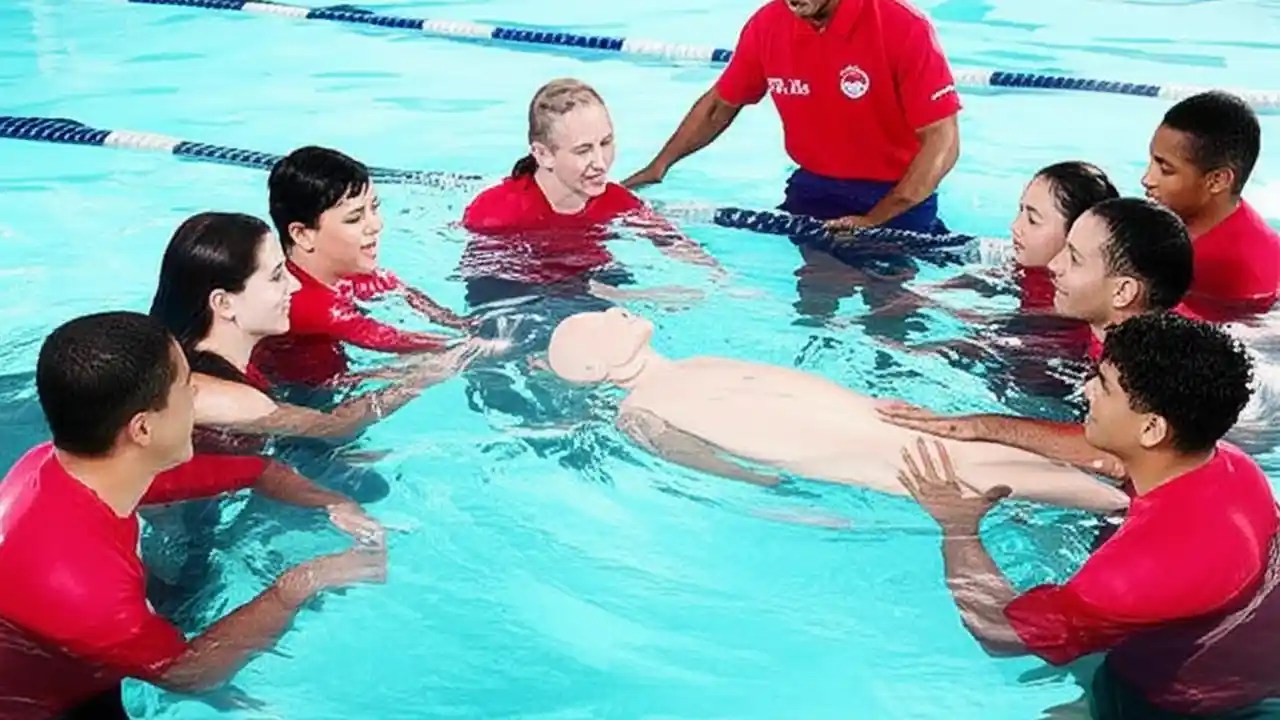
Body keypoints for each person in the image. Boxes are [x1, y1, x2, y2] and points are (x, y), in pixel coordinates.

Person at [0, 312, 387, 719]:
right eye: (187, 389)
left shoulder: (55, 464)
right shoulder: (82, 586)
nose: (199, 401)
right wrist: (303, 582)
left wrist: (327, 499)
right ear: (143, 429)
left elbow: (252, 472)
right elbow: (190, 674)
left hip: (61, 663)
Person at [897, 313, 1280, 718]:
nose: (1086, 390)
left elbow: (1000, 633)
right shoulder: (1236, 470)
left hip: (1172, 706)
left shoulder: (1136, 572)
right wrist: (981, 427)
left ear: (1151, 428)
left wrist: (959, 528)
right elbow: (1112, 456)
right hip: (1240, 664)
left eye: (1104, 387)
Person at [543, 307, 1127, 512]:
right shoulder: (637, 414)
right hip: (847, 447)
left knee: (984, 455)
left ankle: (1130, 483)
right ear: (596, 370)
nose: (614, 314)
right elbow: (705, 464)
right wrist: (775, 494)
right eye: (599, 325)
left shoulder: (685, 364)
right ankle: (1131, 500)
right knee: (981, 469)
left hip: (861, 421)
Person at [876, 197, 1197, 479]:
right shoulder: (1127, 332)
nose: (1054, 265)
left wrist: (978, 426)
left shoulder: (1151, 363)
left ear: (1123, 291)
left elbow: (1117, 457)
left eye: (1074, 258)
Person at [152, 211, 506, 444]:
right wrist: (426, 375)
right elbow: (332, 428)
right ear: (223, 303)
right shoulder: (210, 395)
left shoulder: (203, 365)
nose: (293, 286)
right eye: (277, 276)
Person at [624, 0, 961, 235]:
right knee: (812, 304)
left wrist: (876, 219)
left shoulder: (903, 26)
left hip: (898, 195)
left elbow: (942, 141)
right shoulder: (767, 25)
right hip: (813, 187)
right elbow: (719, 106)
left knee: (888, 315)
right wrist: (659, 166)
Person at [462, 78, 722, 310]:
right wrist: (642, 296)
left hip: (591, 277)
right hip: (520, 297)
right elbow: (484, 291)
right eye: (583, 150)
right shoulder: (496, 212)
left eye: (606, 143)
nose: (600, 162)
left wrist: (721, 281)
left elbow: (673, 242)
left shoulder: (617, 201)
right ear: (543, 154)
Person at [252, 146, 476, 386]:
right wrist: (471, 346)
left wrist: (461, 324)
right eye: (354, 218)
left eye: (374, 208)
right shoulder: (302, 302)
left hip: (336, 376)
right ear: (303, 234)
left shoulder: (351, 273)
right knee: (429, 367)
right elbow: (392, 340)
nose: (376, 224)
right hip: (299, 400)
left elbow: (405, 292)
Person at [1142, 90, 1280, 319]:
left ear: (1217, 180)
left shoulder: (1223, 272)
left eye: (1165, 169)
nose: (1147, 179)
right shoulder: (1217, 222)